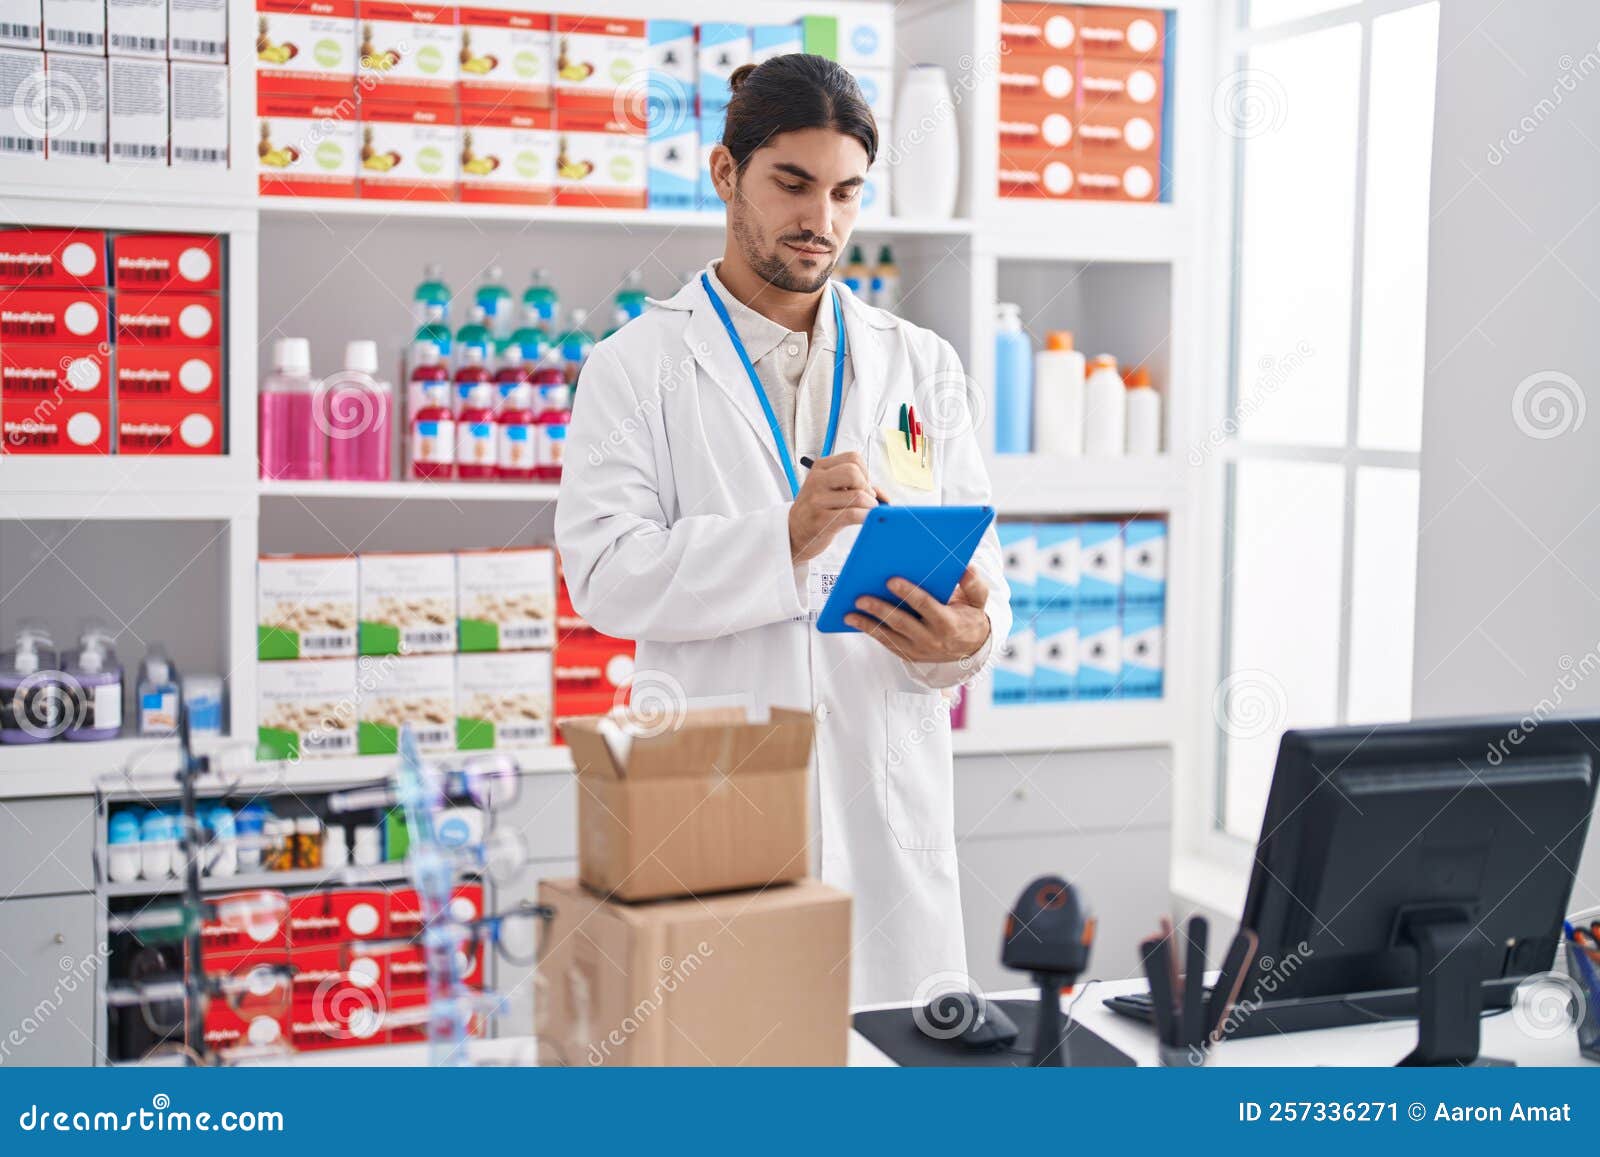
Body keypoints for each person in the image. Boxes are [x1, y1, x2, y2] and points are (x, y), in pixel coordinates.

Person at [554, 54, 1011, 1005]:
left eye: (846, 192)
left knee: (897, 1077)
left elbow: (979, 582)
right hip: (715, 810)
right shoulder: (634, 368)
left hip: (886, 812)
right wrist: (786, 536)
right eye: (793, 184)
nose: (823, 221)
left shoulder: (917, 366)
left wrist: (969, 639)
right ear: (727, 175)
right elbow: (603, 574)